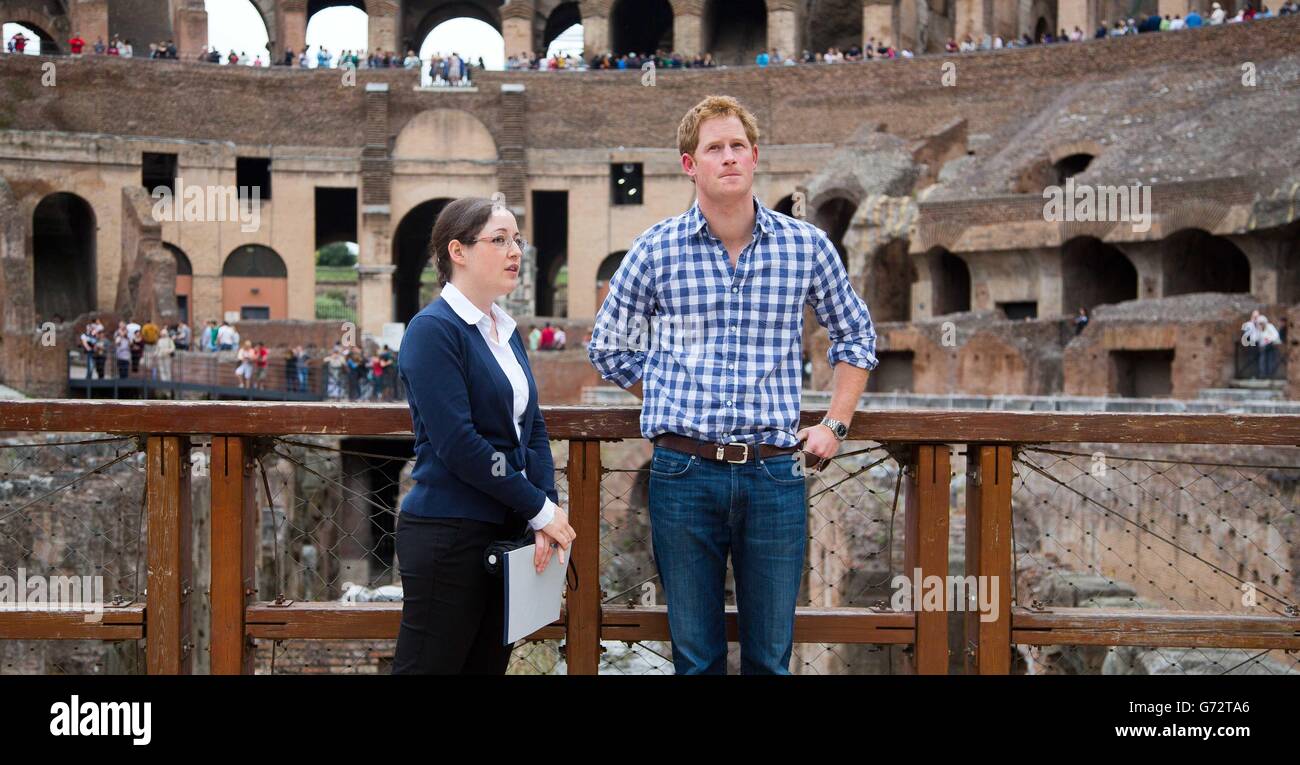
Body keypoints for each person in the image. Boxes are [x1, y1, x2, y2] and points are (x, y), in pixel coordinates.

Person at [589, 95, 877, 674]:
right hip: (683, 471)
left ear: (755, 157)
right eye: (713, 149)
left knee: (770, 660)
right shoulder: (656, 248)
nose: (728, 158)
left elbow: (856, 338)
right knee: (695, 661)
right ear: (689, 165)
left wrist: (835, 424)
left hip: (774, 471)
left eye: (737, 147)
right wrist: (667, 392)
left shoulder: (806, 246)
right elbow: (608, 347)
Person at [393, 197, 576, 675]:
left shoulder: (505, 330)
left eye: (517, 239)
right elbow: (460, 444)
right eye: (499, 240)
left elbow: (531, 427)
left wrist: (545, 510)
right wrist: (536, 508)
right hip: (447, 535)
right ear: (459, 251)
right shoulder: (432, 330)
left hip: (503, 535)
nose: (515, 251)